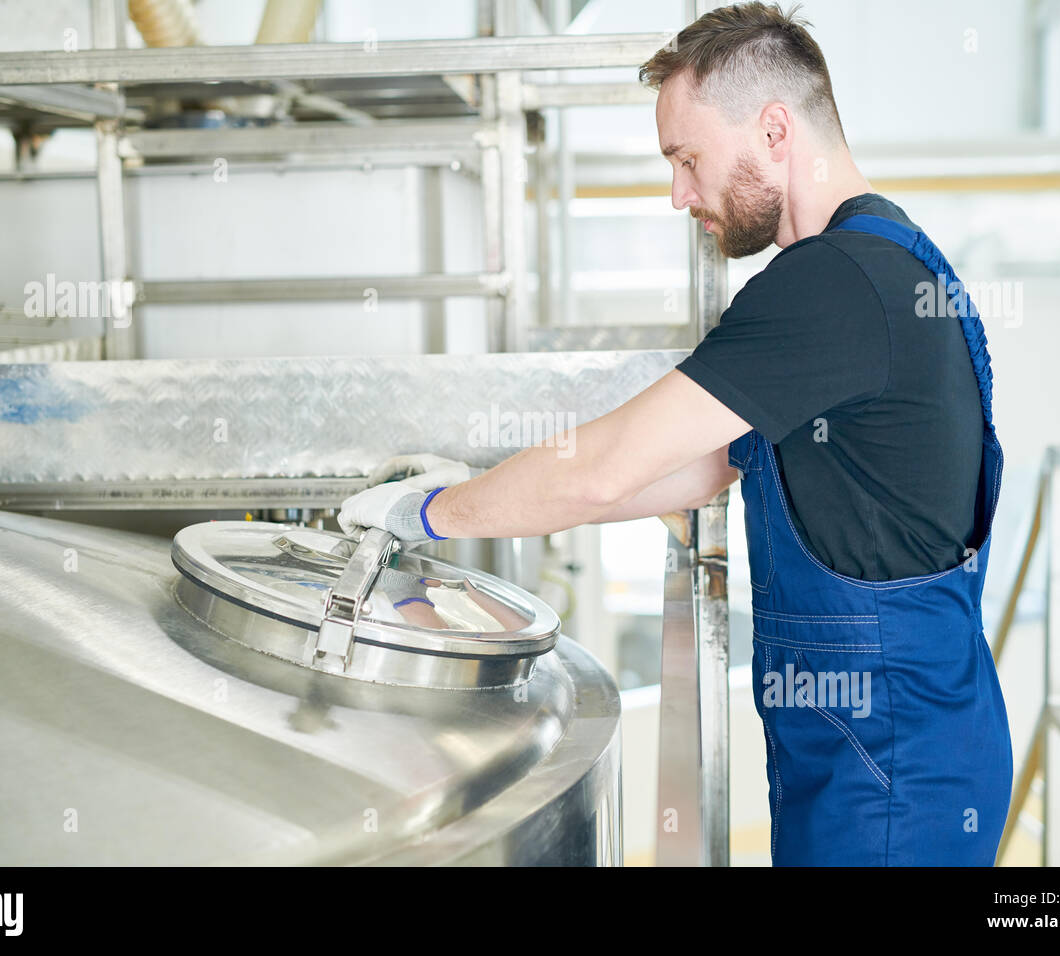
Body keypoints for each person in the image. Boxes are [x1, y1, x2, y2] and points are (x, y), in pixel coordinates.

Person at [339, 2, 1012, 866]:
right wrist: (472, 494)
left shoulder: (834, 285)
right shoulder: (886, 260)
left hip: (890, 776)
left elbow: (602, 468)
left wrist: (428, 514)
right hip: (895, 746)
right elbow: (694, 468)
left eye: (688, 159)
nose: (679, 194)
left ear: (775, 130)